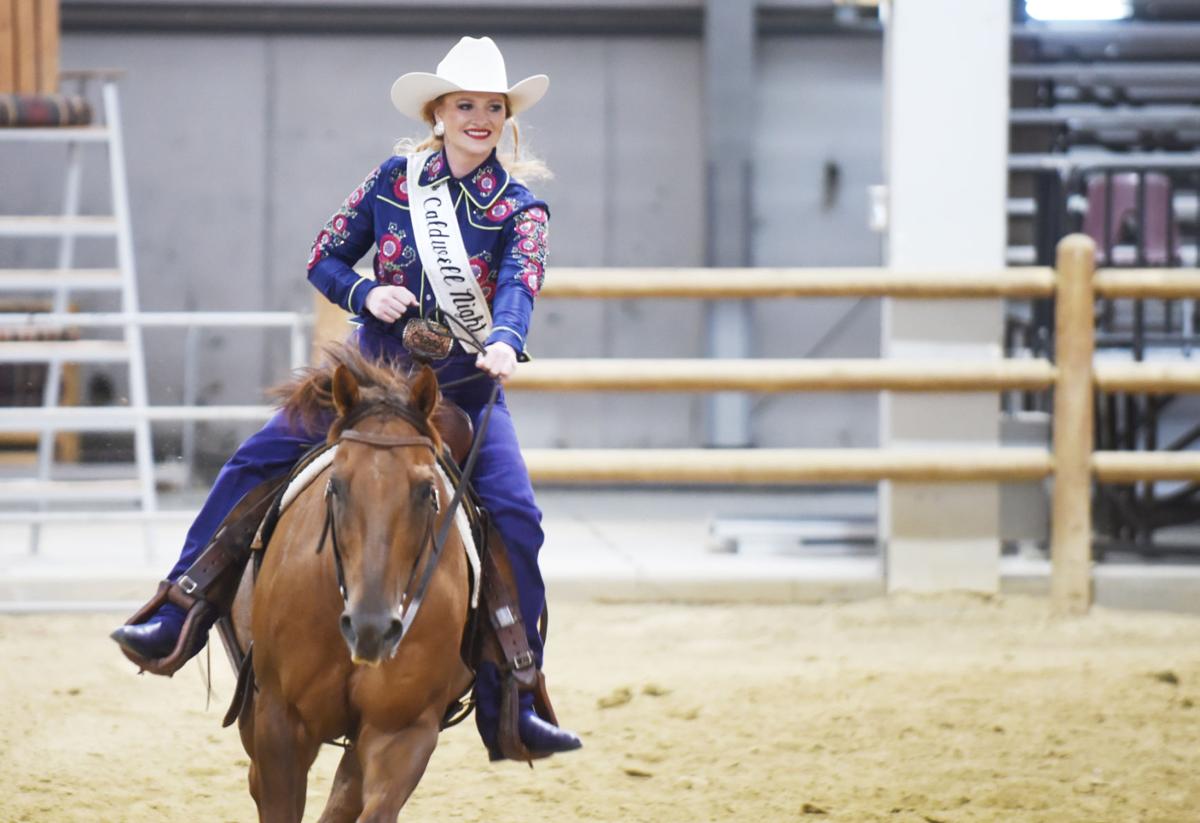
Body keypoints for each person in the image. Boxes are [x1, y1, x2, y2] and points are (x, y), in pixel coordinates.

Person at [111, 35, 581, 760]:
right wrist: (366, 290)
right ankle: (182, 605)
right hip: (366, 374)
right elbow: (322, 257)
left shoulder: (523, 209)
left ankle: (515, 692)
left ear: (506, 118)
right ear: (439, 112)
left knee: (518, 517)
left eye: (493, 106)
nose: (479, 117)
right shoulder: (395, 182)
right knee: (256, 459)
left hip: (461, 390)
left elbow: (520, 280)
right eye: (466, 104)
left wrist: (506, 338)